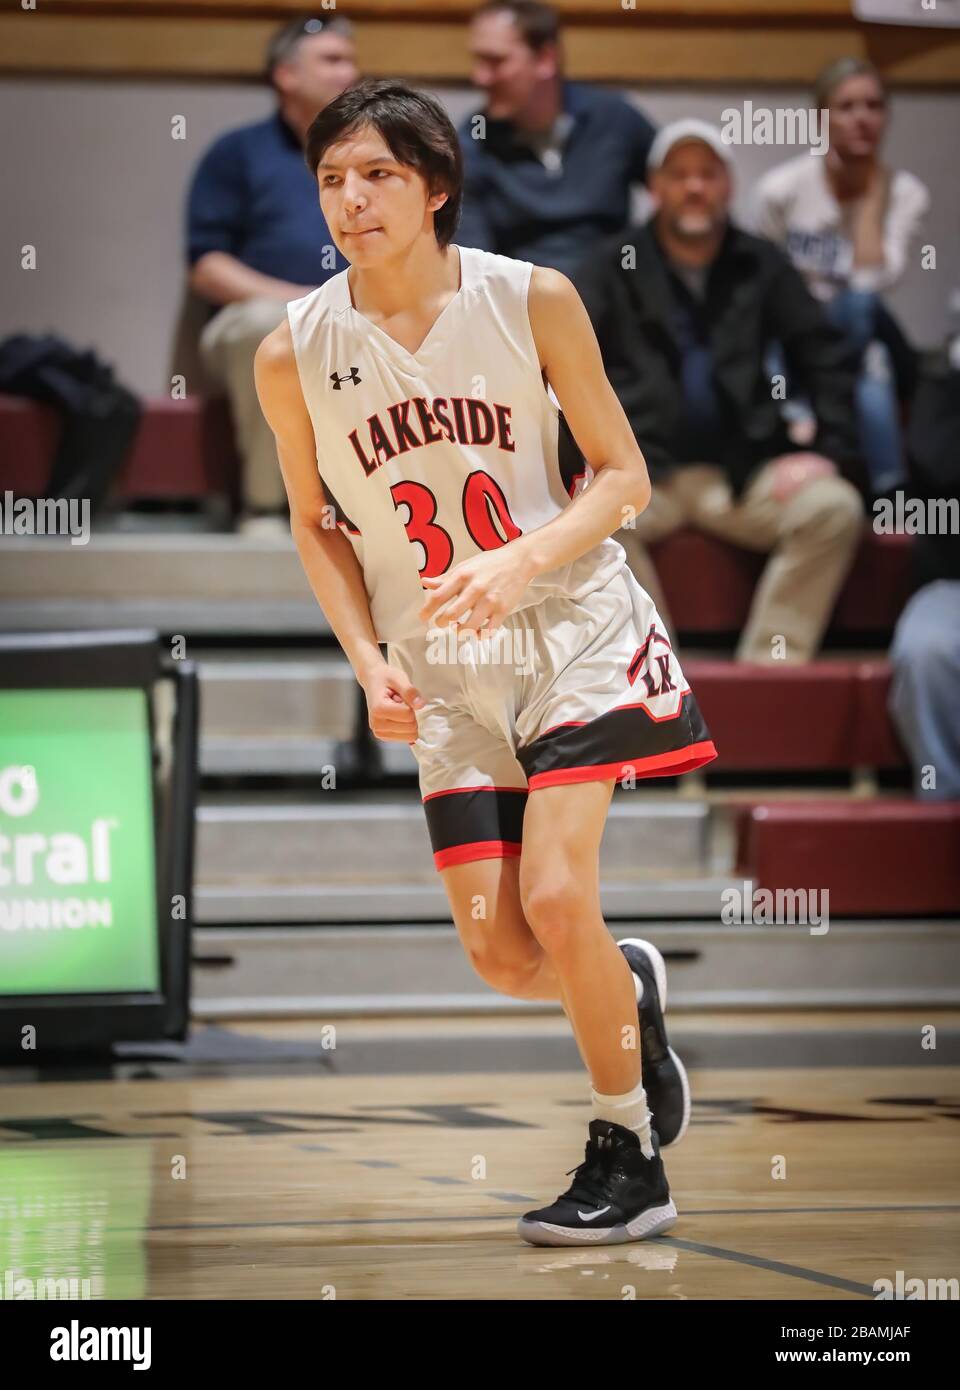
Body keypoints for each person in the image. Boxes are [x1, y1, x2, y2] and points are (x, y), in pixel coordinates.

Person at [254, 78, 718, 1247]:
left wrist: (522, 559)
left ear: (436, 188)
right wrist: (368, 661)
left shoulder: (532, 297)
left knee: (559, 897)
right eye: (332, 179)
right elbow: (314, 523)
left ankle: (628, 1152)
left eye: (378, 175)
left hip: (567, 624)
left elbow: (624, 477)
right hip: (440, 663)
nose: (351, 200)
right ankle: (628, 989)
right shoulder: (291, 350)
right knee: (506, 952)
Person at [573, 119, 865, 663]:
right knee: (582, 520)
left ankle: (770, 671)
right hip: (641, 472)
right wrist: (583, 456)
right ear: (654, 187)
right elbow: (562, 362)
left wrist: (827, 451)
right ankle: (659, 679)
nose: (694, 187)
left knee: (835, 508)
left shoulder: (761, 263)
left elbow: (825, 355)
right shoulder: (613, 264)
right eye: (679, 175)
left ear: (727, 186)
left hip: (743, 473)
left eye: (707, 174)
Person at [186, 15, 358, 534]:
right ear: (286, 75)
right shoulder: (237, 152)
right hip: (254, 321)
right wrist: (303, 304)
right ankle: (265, 506)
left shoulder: (368, 152)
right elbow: (207, 266)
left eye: (350, 60)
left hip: (358, 312)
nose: (349, 72)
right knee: (272, 327)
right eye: (331, 60)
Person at [752, 58, 930, 497]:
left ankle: (806, 417)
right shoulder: (782, 189)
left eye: (873, 106)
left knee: (860, 306)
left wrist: (871, 197)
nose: (862, 118)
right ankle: (891, 490)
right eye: (846, 106)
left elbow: (872, 282)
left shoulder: (906, 194)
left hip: (855, 327)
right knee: (871, 365)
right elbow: (760, 283)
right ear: (821, 117)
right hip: (794, 339)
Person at [457, 0, 655, 275]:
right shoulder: (472, 143)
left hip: (613, 291)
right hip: (523, 294)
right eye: (478, 61)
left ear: (545, 59)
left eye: (495, 61)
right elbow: (473, 264)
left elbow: (679, 184)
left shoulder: (615, 120)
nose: (479, 77)